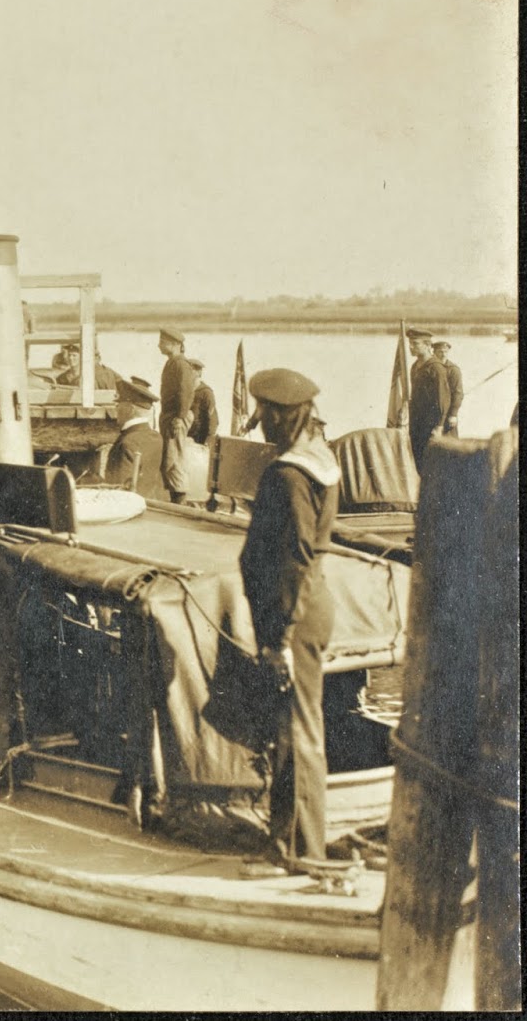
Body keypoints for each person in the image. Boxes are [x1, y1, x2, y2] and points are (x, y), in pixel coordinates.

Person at [238, 367, 340, 875]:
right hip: (310, 604)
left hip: (294, 616)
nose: (258, 425)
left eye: (264, 414)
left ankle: (302, 854)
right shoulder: (320, 460)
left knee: (298, 732)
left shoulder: (290, 475)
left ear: (281, 415)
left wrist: (278, 636)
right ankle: (289, 844)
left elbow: (294, 555)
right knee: (296, 726)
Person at [101, 376, 170, 500]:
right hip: (149, 508)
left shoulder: (128, 442)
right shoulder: (156, 438)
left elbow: (119, 490)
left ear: (130, 409)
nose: (116, 410)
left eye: (119, 406)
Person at [157, 327, 198, 504]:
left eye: (162, 342)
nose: (159, 345)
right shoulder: (172, 363)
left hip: (176, 418)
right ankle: (177, 500)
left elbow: (186, 392)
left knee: (175, 462)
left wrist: (179, 418)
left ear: (175, 344)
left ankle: (180, 503)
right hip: (171, 417)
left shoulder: (181, 364)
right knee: (170, 462)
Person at [406, 327, 450, 467]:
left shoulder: (436, 368)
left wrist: (439, 425)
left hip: (430, 423)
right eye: (410, 343)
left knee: (432, 463)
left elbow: (443, 399)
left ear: (427, 346)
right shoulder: (415, 367)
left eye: (415, 344)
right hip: (416, 423)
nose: (411, 347)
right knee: (417, 460)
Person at [431, 339, 463, 436]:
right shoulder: (430, 367)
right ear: (434, 352)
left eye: (446, 352)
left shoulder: (453, 370)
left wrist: (453, 414)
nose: (443, 354)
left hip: (447, 412)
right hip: (431, 411)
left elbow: (458, 393)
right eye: (440, 352)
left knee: (449, 441)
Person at [187, 357, 219, 446]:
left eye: (191, 370)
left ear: (199, 372)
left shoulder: (206, 392)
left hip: (199, 439)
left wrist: (208, 439)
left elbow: (213, 419)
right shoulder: (184, 392)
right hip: (185, 437)